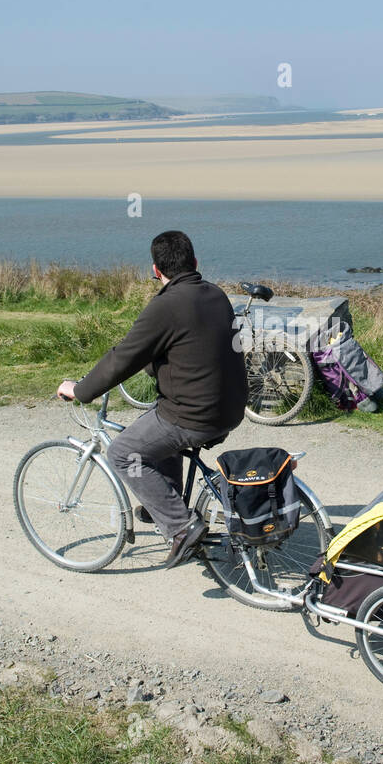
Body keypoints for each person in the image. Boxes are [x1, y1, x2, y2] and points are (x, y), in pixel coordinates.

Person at [57, 231, 248, 568]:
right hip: (231, 407)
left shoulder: (165, 306)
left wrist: (81, 390)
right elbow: (192, 346)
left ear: (156, 270)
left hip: (194, 415)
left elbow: (122, 358)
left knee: (123, 453)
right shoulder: (215, 294)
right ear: (195, 262)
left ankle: (181, 527)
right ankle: (164, 502)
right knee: (156, 433)